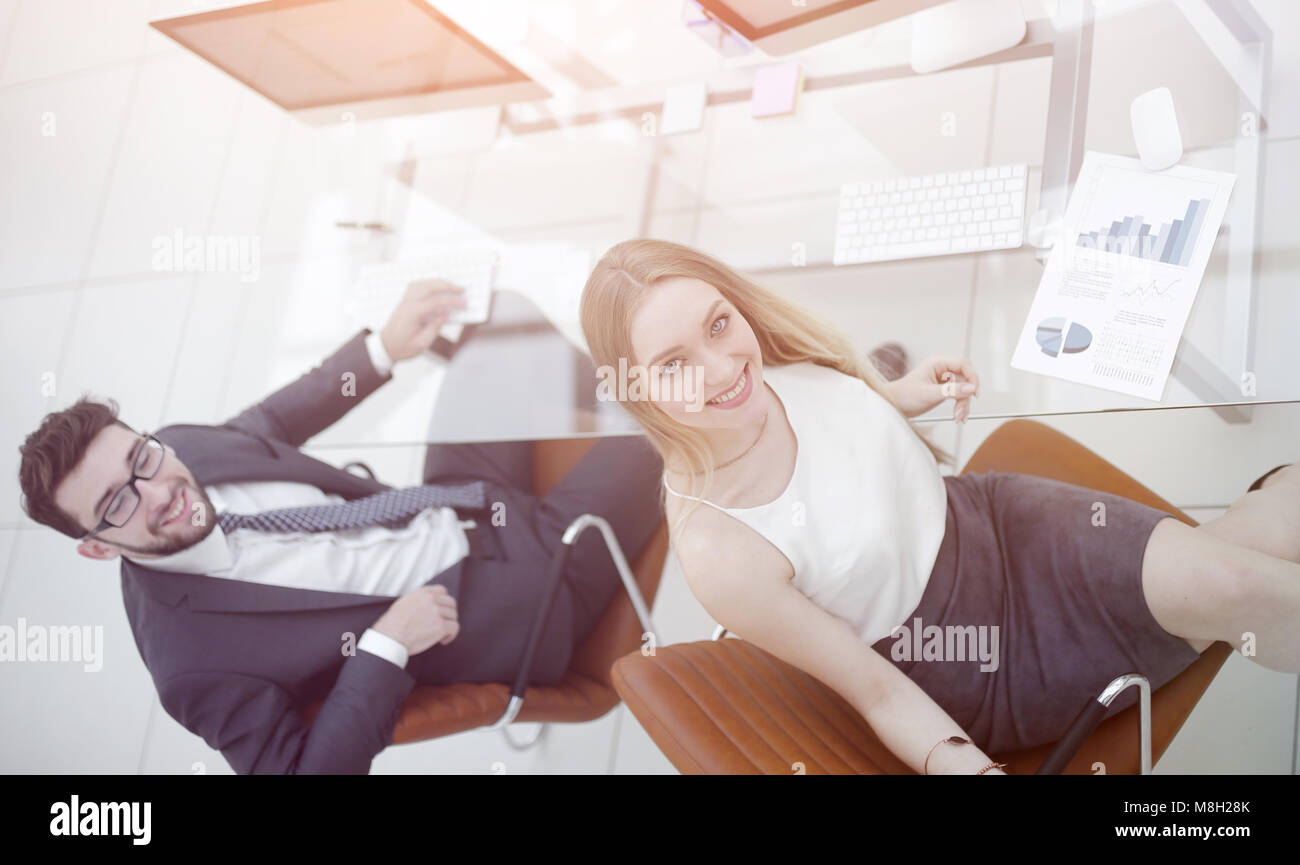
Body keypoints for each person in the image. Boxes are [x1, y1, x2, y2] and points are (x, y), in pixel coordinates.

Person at [578, 238, 1300, 775]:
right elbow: (874, 688)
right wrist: (970, 769)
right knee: (1239, 577)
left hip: (999, 523)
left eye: (717, 324)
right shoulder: (721, 550)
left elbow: (829, 436)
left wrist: (892, 397)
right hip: (972, 657)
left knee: (1236, 582)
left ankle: (1264, 508)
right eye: (674, 365)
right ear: (635, 389)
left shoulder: (762, 354)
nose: (724, 369)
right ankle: (1268, 499)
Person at [17, 280, 663, 774]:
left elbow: (264, 426)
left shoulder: (179, 447)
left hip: (447, 500)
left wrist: (384, 347)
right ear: (97, 547)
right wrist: (387, 645)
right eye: (117, 503)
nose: (160, 491)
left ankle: (604, 408)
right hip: (514, 593)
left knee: (507, 319)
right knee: (661, 426)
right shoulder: (191, 667)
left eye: (142, 457)